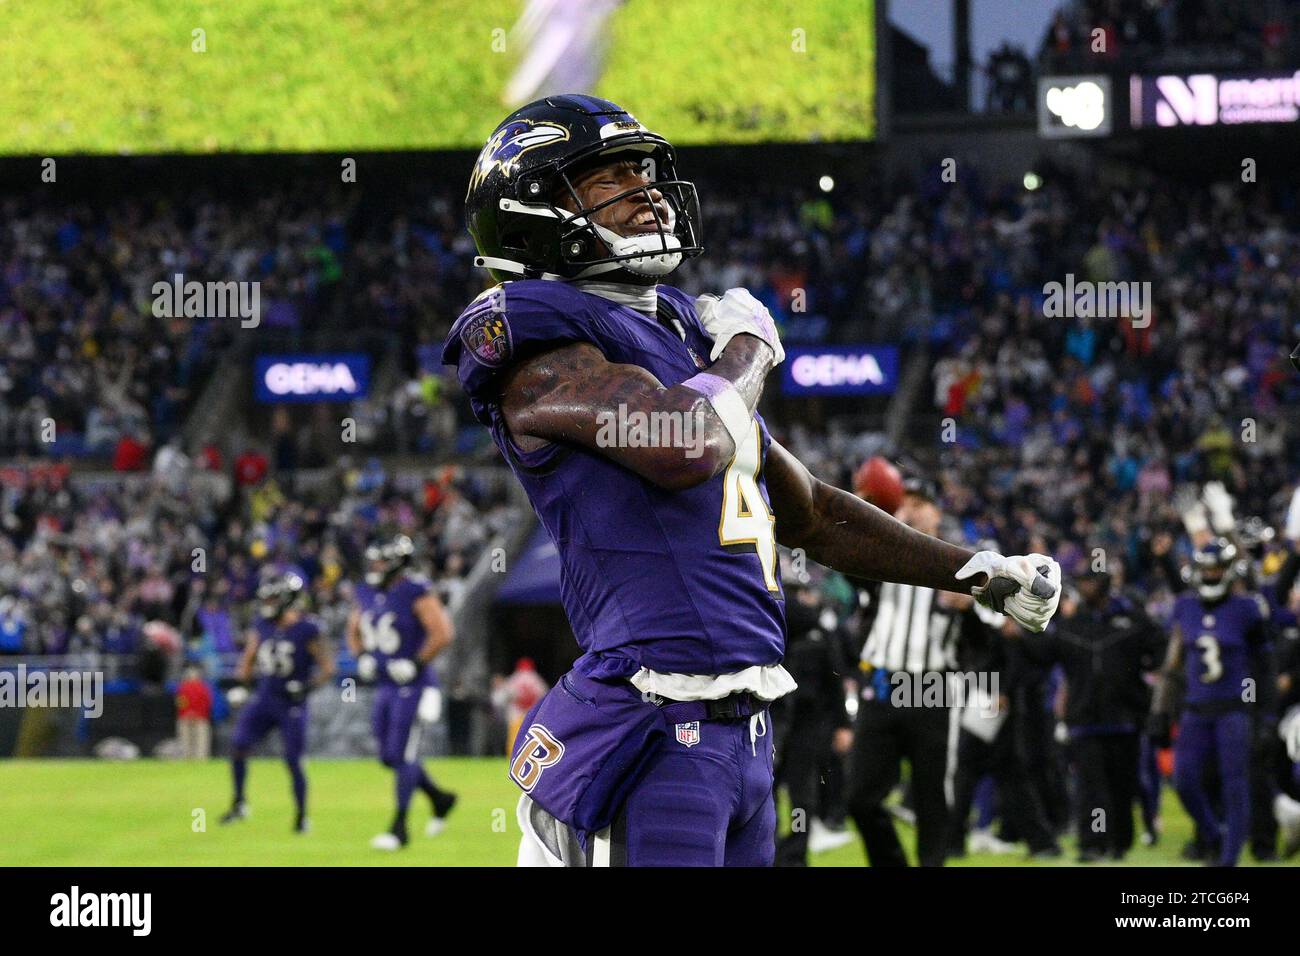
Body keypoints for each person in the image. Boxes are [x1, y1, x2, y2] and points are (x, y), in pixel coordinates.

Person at [443, 94, 1062, 867]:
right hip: (646, 729)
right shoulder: (531, 335)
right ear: (531, 209)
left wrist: (968, 569)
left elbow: (810, 515)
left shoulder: (671, 328)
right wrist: (747, 353)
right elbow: (680, 441)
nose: (647, 192)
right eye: (609, 178)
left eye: (644, 171)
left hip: (743, 733)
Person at [1013, 564, 1165, 861]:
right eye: (1081, 581)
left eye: (1089, 581)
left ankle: (1119, 842)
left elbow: (1159, 647)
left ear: (1104, 583)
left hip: (1125, 719)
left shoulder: (1132, 618)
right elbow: (1044, 652)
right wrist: (1018, 635)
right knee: (1091, 788)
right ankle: (1092, 843)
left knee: (1123, 785)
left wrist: (1150, 675)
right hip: (1085, 720)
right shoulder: (1073, 624)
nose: (1084, 587)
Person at [1151, 538, 1276, 866]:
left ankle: (1229, 859)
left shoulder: (1246, 608)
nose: (1211, 575)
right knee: (1184, 780)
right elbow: (1172, 662)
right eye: (1206, 569)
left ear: (1230, 571)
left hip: (1232, 709)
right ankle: (1214, 834)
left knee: (1235, 784)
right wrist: (1161, 708)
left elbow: (1263, 664)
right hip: (1195, 709)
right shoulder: (1185, 607)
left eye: (1217, 569)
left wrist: (1265, 714)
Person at [346, 534, 458, 850]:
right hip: (385, 685)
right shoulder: (367, 592)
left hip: (414, 687)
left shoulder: (415, 590)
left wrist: (416, 662)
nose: (374, 566)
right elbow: (353, 631)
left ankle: (399, 829)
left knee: (404, 754)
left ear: (397, 563)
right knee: (389, 756)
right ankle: (440, 798)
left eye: (381, 561)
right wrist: (361, 656)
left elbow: (442, 632)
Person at [221, 569, 334, 833]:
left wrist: (305, 688)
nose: (267, 605)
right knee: (238, 746)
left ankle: (302, 816)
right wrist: (242, 685)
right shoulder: (263, 625)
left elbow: (328, 669)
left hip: (291, 703)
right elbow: (247, 661)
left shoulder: (307, 629)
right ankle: (239, 803)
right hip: (265, 697)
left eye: (272, 600)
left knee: (294, 760)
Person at [175, 663, 214, 759]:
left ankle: (186, 757)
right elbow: (207, 703)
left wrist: (187, 712)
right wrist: (197, 713)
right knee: (201, 740)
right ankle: (200, 758)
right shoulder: (203, 688)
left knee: (185, 740)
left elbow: (180, 702)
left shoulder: (183, 687)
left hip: (186, 717)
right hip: (200, 717)